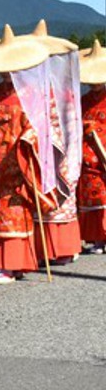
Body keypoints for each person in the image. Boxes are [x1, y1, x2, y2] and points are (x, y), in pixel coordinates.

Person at [0, 26, 56, 284]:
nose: (5, 72)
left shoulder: (32, 94)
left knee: (16, 209)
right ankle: (2, 263)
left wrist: (29, 140)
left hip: (18, 159)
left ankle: (15, 264)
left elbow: (42, 125)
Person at [23, 21, 83, 265]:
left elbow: (70, 119)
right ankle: (40, 250)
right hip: (38, 146)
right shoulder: (29, 91)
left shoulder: (63, 92)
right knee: (38, 189)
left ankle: (65, 247)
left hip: (60, 143)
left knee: (62, 187)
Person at [78, 39, 106, 253]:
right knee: (93, 195)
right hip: (88, 154)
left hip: (103, 149)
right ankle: (97, 237)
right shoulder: (84, 100)